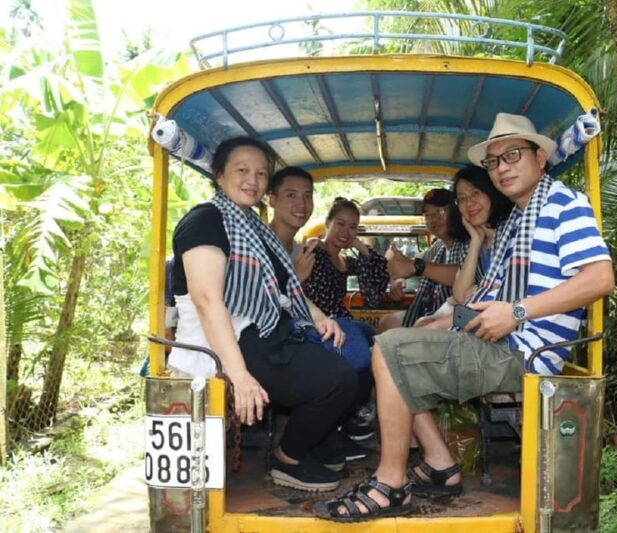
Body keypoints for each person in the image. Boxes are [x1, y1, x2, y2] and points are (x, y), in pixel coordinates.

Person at [314, 113, 615, 520]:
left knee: (389, 350)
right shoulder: (519, 220)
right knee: (394, 347)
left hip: (526, 352)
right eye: (494, 161)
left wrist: (518, 311)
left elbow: (600, 278)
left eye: (513, 155)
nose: (502, 168)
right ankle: (439, 465)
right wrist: (450, 321)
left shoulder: (563, 204)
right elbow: (486, 297)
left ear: (541, 157)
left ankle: (391, 484)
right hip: (503, 339)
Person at [167, 137, 357, 492]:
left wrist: (319, 317)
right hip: (220, 338)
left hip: (261, 330)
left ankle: (316, 444)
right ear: (219, 174)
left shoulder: (253, 228)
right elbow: (207, 301)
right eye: (242, 170)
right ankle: (288, 457)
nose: (252, 180)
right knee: (337, 379)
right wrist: (239, 375)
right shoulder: (206, 220)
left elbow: (285, 289)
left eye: (260, 173)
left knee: (347, 363)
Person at [302, 197, 390, 439]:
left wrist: (358, 244)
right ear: (327, 223)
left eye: (353, 227)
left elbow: (379, 274)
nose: (345, 232)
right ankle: (345, 416)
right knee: (363, 345)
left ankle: (350, 414)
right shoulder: (314, 251)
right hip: (317, 323)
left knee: (375, 341)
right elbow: (296, 286)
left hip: (343, 322)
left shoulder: (343, 260)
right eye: (340, 224)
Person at [417, 165, 513, 330]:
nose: (469, 203)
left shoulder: (510, 234)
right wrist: (475, 241)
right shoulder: (478, 241)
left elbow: (510, 297)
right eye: (462, 199)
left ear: (491, 193)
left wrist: (477, 291)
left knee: (422, 331)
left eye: (476, 193)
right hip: (477, 318)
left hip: (504, 323)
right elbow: (461, 294)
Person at [378, 188, 469, 331]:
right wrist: (399, 278)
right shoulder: (439, 247)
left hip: (462, 313)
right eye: (428, 215)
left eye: (440, 212)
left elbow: (464, 276)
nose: (433, 219)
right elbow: (409, 263)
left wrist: (417, 267)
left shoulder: (468, 241)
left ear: (455, 212)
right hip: (437, 308)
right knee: (387, 322)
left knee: (421, 325)